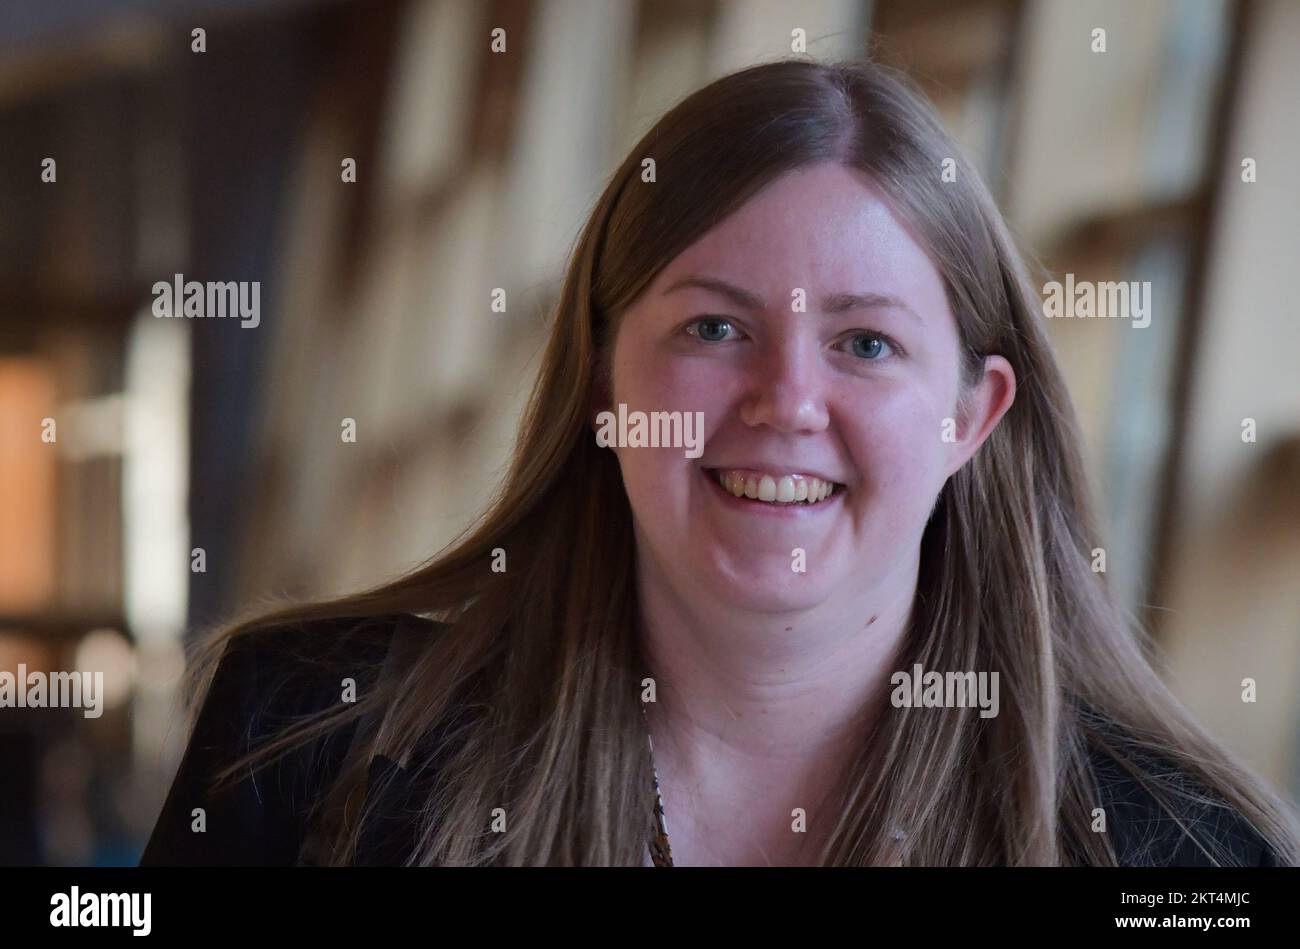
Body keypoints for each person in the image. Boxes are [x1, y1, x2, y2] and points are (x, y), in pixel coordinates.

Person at [141, 58, 1299, 867]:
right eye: (712, 327)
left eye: (865, 342)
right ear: (603, 380)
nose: (786, 400)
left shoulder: (1177, 848)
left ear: (970, 416)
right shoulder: (303, 737)